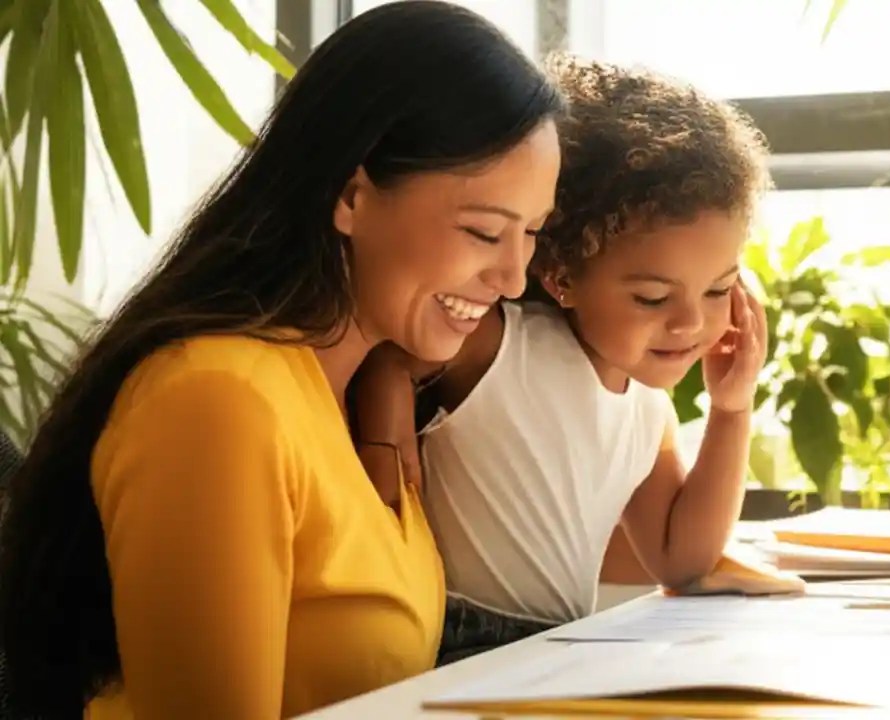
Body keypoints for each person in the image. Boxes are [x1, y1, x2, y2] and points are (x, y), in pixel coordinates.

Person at [0, 2, 561, 717]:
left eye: (533, 235)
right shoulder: (219, 400)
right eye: (485, 232)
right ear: (351, 196)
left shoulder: (351, 396)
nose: (514, 278)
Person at [357, 54, 774, 664]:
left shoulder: (645, 407)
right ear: (560, 275)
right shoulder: (502, 342)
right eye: (653, 296)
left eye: (718, 289)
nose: (690, 322)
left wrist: (732, 410)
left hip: (559, 642)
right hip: (454, 636)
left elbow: (680, 560)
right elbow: (388, 360)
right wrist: (394, 471)